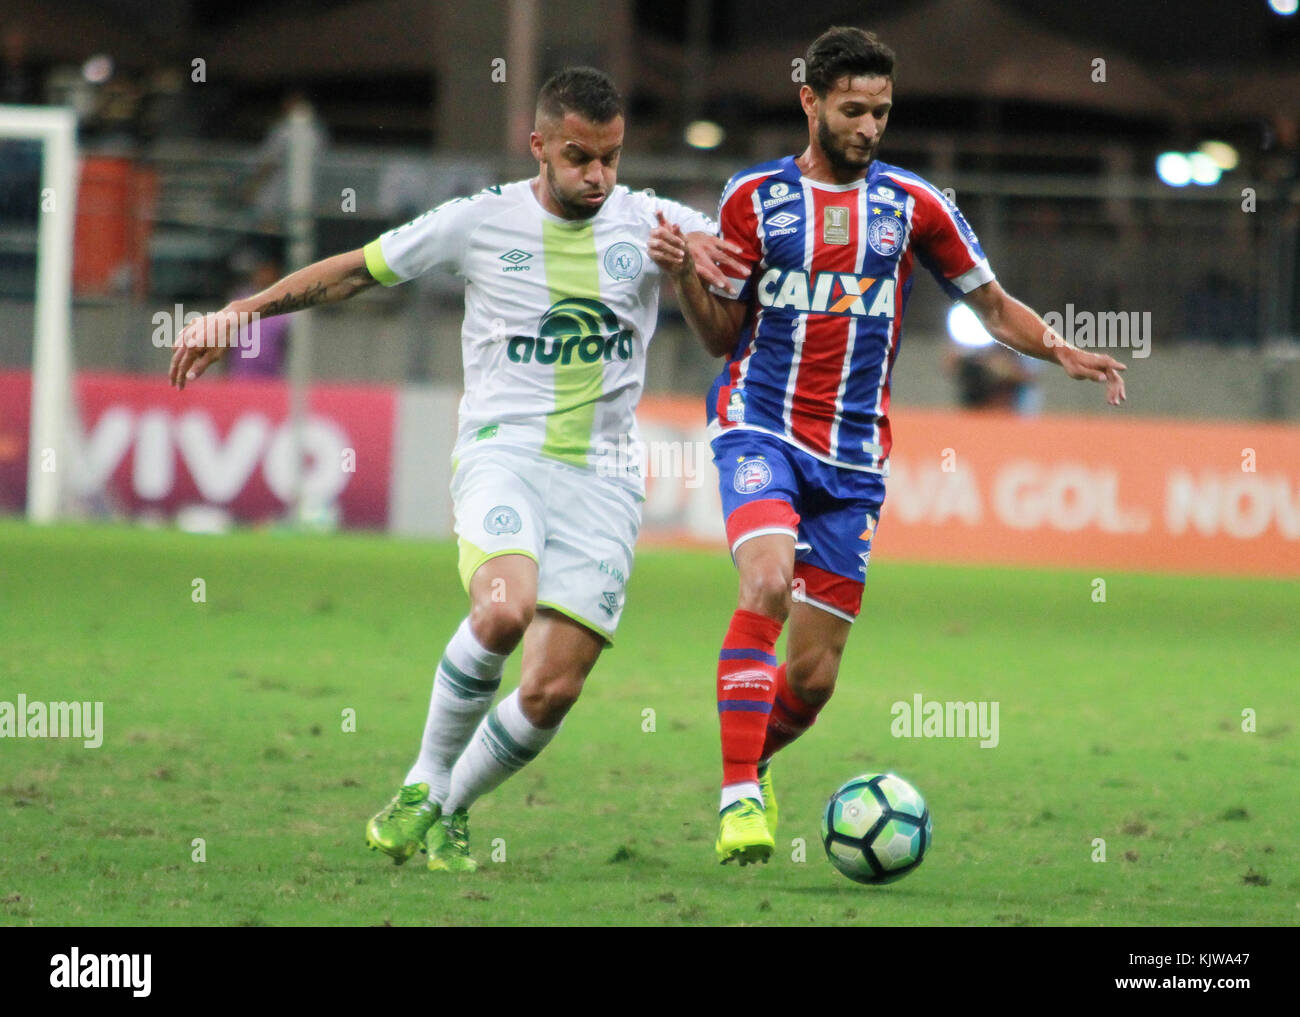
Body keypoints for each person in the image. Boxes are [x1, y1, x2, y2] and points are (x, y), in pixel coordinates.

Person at [169, 67, 740, 872]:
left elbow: (725, 330)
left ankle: (449, 808)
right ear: (538, 145)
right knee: (503, 612)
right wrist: (240, 313)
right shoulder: (480, 221)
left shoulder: (656, 223)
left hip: (606, 476)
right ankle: (424, 781)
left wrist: (687, 271)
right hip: (503, 454)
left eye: (610, 158)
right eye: (579, 156)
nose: (598, 176)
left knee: (551, 691)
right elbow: (355, 269)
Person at [649, 26, 1126, 866]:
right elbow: (723, 336)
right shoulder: (754, 197)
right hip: (760, 421)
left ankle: (744, 763)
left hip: (855, 456)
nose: (870, 127)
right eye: (853, 110)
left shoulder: (914, 205)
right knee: (765, 582)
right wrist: (685, 275)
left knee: (815, 678)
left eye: (882, 112)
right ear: (811, 102)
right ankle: (737, 799)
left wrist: (1060, 348)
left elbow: (991, 303)